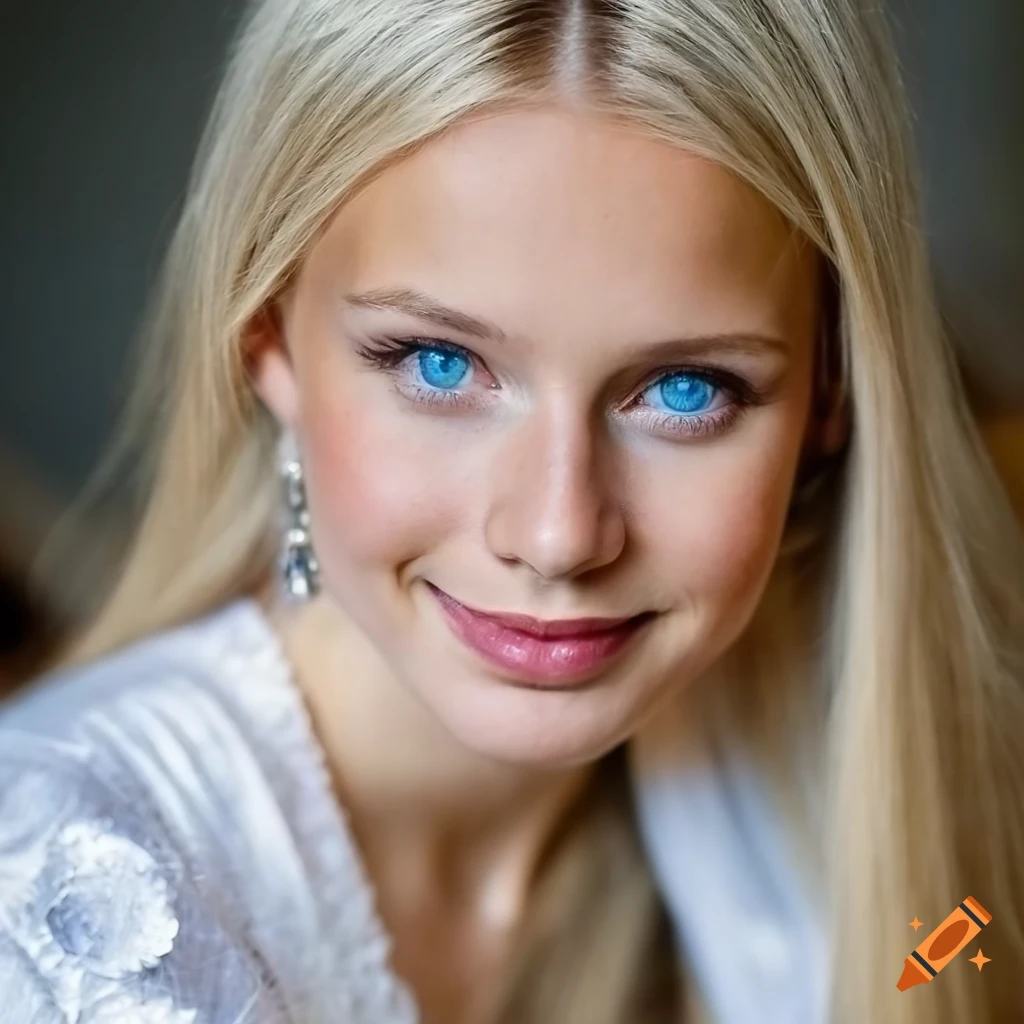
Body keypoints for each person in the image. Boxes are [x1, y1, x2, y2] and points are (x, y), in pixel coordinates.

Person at [1, 1, 1022, 1021]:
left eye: (683, 390)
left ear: (831, 388)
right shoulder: (63, 916)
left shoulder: (880, 821)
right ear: (266, 337)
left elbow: (954, 942)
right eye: (439, 364)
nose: (558, 533)